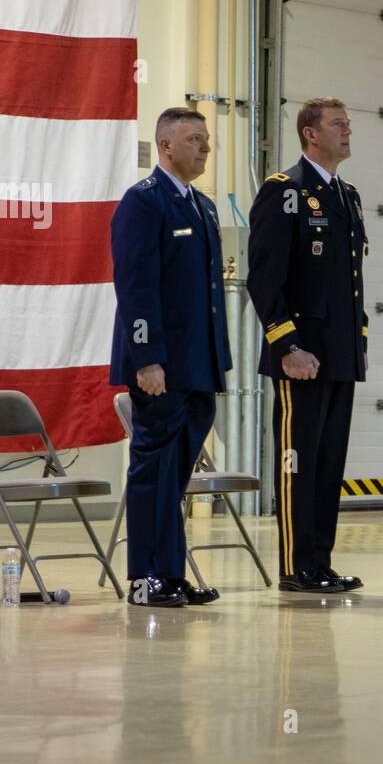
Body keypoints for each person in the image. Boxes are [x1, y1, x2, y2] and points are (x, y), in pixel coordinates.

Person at [246, 97, 368, 593]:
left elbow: (350, 281)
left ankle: (320, 561)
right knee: (299, 462)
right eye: (339, 124)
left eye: (349, 123)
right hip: (301, 357)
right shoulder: (285, 192)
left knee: (328, 462)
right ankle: (297, 567)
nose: (348, 131)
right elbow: (264, 280)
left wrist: (355, 343)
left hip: (338, 354)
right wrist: (287, 345)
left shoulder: (348, 195)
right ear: (310, 134)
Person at [110, 108, 230, 607]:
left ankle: (171, 575)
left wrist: (217, 358)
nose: (205, 147)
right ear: (165, 147)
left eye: (206, 139)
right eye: (194, 139)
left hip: (197, 363)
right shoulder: (144, 203)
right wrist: (147, 358)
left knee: (174, 477)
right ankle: (145, 578)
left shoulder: (202, 206)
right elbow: (136, 286)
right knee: (153, 470)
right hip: (160, 365)